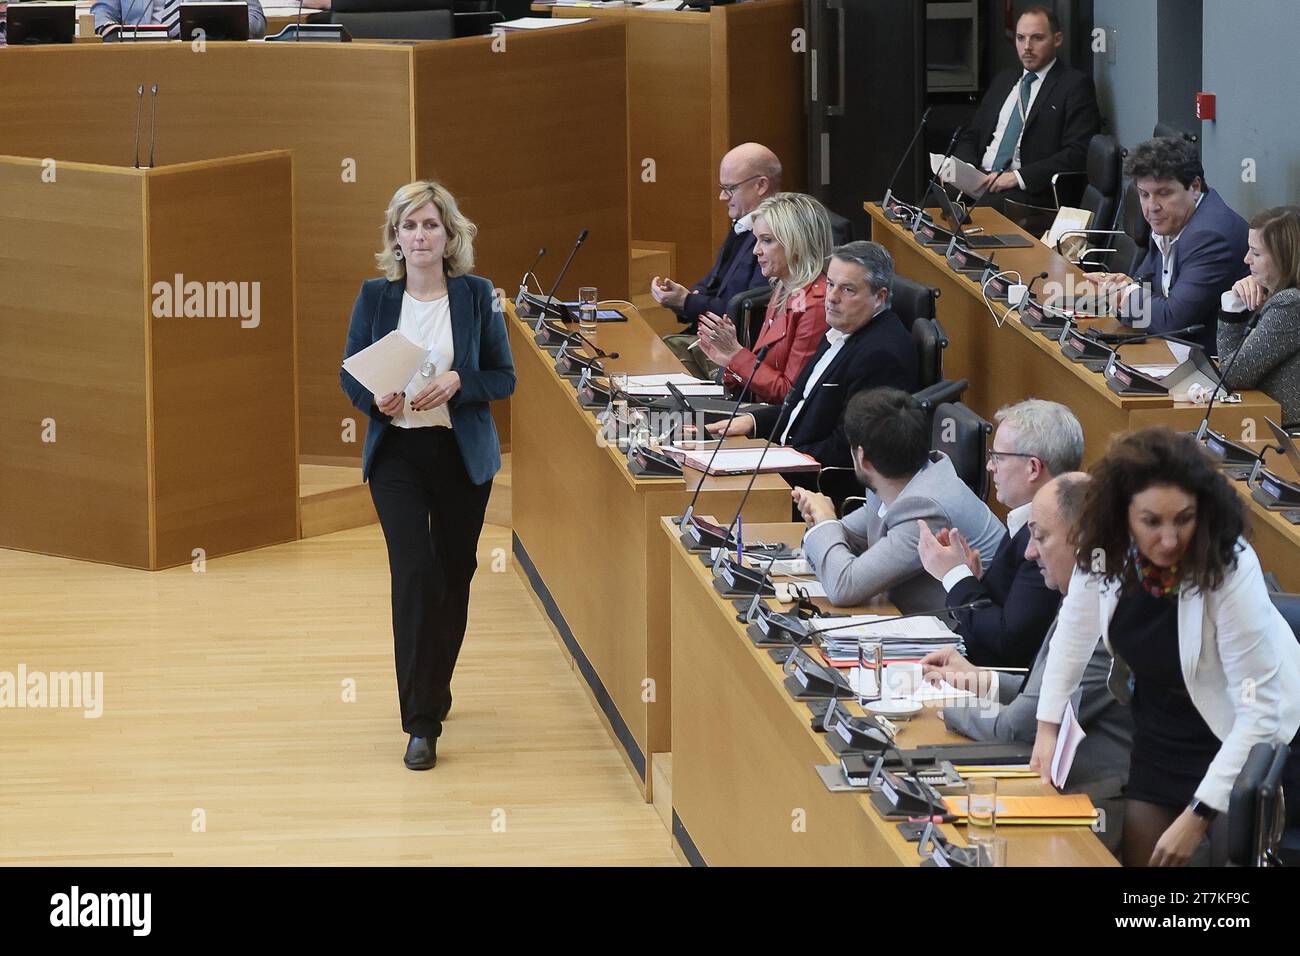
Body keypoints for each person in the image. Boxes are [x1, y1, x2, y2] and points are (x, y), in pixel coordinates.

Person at [1030, 428, 1300, 866]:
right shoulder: (1105, 548)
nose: (1170, 539)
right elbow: (1073, 635)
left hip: (1249, 739)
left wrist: (1197, 816)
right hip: (1161, 729)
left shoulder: (1229, 565)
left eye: (1183, 519)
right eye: (1152, 521)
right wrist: (1047, 727)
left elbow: (1259, 712)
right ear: (1123, 514)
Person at [340, 181, 516, 771]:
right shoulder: (375, 296)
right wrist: (375, 399)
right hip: (398, 456)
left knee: (453, 576)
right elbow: (350, 376)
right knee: (414, 572)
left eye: (431, 226)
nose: (420, 236)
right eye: (409, 226)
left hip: (459, 455)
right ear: (396, 236)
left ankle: (435, 687)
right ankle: (420, 722)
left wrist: (462, 381)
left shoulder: (476, 296)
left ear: (449, 236)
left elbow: (504, 377)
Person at [922, 473, 1133, 854]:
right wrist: (979, 680)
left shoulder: (1110, 618)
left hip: (1090, 804)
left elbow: (1018, 725)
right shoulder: (1083, 594)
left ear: (1082, 537)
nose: (1029, 552)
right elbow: (1043, 693)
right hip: (1047, 779)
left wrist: (939, 709)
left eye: (1041, 536)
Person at [702, 242, 918, 483]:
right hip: (788, 459)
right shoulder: (843, 327)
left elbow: (848, 450)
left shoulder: (881, 356)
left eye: (848, 290)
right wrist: (752, 421)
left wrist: (774, 459)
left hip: (813, 484)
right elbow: (801, 406)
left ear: (879, 297)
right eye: (831, 285)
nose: (832, 298)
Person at [795, 388, 1005, 611]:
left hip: (958, 634)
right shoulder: (895, 482)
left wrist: (826, 520)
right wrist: (822, 526)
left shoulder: (925, 508)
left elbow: (843, 586)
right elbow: (836, 542)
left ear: (862, 457)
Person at [917, 399, 1082, 668]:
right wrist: (975, 580)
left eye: (998, 457)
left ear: (1033, 468)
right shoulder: (1024, 519)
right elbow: (1011, 613)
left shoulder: (1050, 538)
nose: (989, 467)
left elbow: (1010, 643)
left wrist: (954, 575)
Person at [1087, 137, 1249, 354]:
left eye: (1164, 193)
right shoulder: (1172, 219)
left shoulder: (1210, 236)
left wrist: (1125, 295)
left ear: (1194, 187)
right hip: (1173, 350)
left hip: (1213, 366)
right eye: (1144, 195)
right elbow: (1141, 287)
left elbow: (1173, 320)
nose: (1152, 206)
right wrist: (1125, 295)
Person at [950, 5, 1101, 212]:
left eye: (1037, 38)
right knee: (929, 207)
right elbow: (973, 134)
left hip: (1028, 190)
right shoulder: (1004, 80)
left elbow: (1078, 153)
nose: (1027, 46)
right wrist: (965, 170)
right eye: (1021, 38)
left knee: (977, 213)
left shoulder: (1074, 85)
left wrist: (1016, 177)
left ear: (1057, 39)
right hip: (980, 180)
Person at [691, 192, 833, 405]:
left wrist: (736, 354)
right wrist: (728, 360)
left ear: (797, 244)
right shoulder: (782, 286)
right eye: (757, 240)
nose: (756, 251)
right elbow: (762, 369)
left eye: (766, 241)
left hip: (775, 429)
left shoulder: (815, 306)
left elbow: (790, 394)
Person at [656, 143, 778, 374]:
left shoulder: (774, 241)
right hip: (706, 336)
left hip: (732, 352)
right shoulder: (742, 226)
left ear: (761, 185)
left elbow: (741, 314)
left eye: (730, 188)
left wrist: (687, 302)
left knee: (659, 358)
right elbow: (713, 281)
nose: (722, 197)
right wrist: (686, 296)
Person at [1217, 206, 1300, 426]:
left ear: (1284, 256)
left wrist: (1231, 307)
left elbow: (1232, 374)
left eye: (1256, 253)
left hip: (1286, 440)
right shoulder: (1279, 297)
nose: (1246, 260)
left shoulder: (1291, 304)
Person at [92, 0, 266, 37]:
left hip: (203, 54)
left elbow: (256, 20)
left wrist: (220, 25)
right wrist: (109, 29)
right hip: (142, 55)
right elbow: (102, 11)